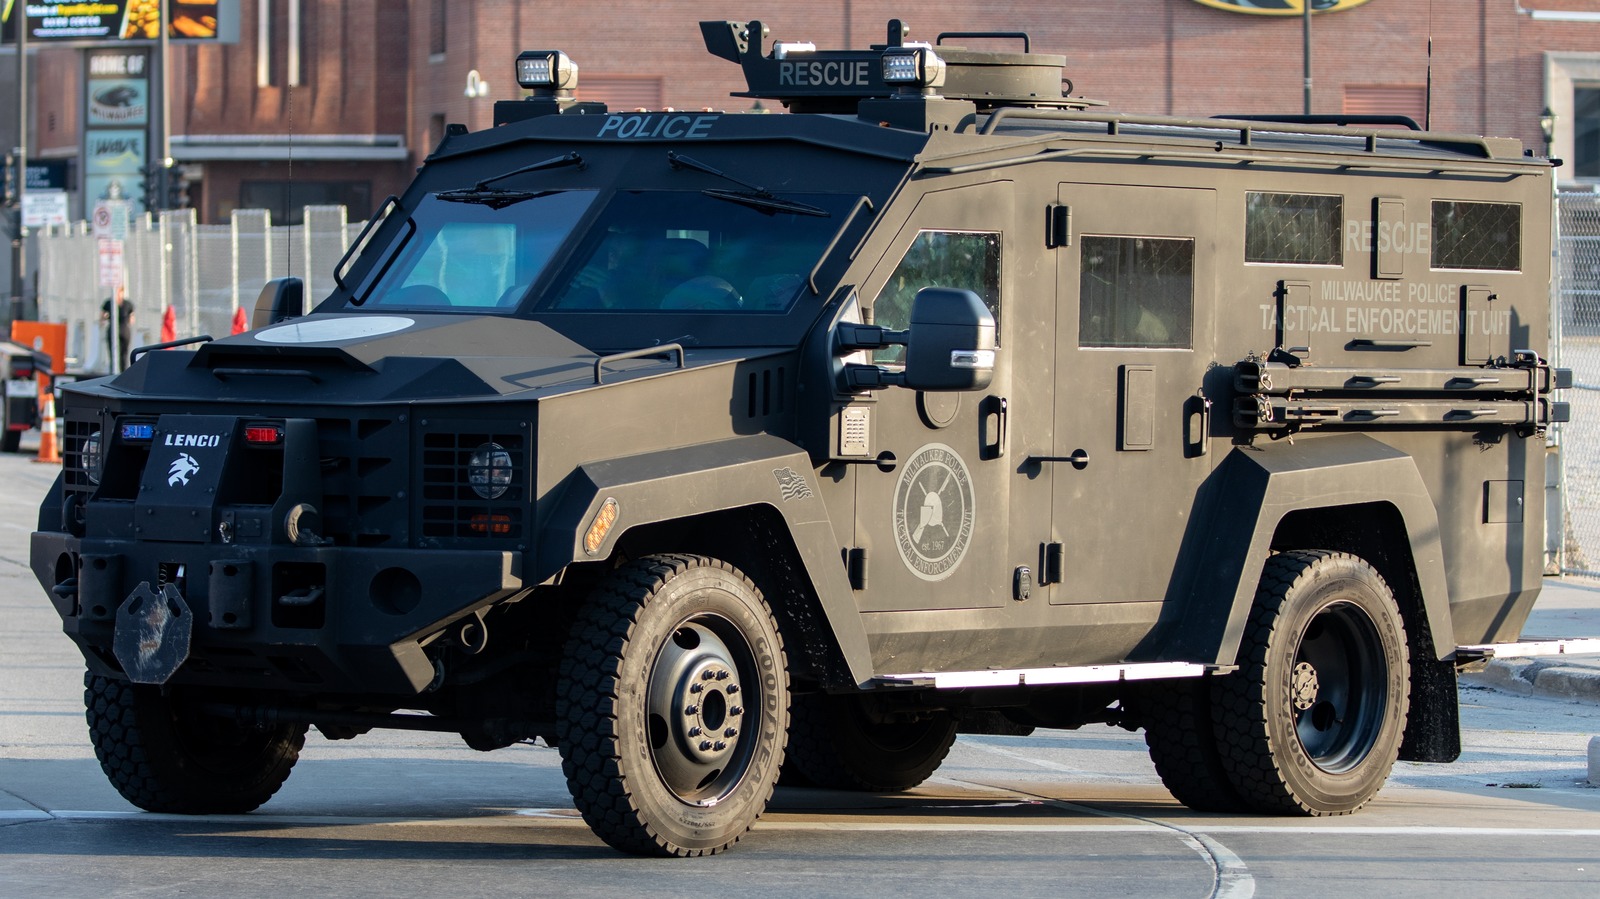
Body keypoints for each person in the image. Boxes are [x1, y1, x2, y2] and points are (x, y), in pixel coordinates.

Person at [101, 290, 134, 372]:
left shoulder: (126, 304)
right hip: (118, 329)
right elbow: (132, 319)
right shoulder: (110, 303)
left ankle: (122, 372)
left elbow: (132, 318)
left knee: (123, 353)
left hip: (122, 330)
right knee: (115, 353)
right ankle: (115, 372)